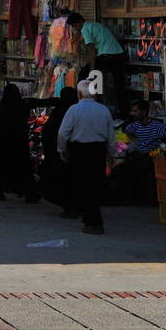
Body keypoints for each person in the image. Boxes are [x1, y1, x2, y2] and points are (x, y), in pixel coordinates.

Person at [57, 80, 116, 235]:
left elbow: (63, 133)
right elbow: (111, 135)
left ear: (80, 93)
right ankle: (91, 220)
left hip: (80, 151)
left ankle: (94, 221)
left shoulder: (74, 110)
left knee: (84, 186)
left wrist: (62, 149)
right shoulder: (103, 110)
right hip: (98, 150)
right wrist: (112, 154)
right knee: (95, 186)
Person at [111, 98, 166, 204]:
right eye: (132, 111)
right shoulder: (135, 126)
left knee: (121, 169)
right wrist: (136, 141)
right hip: (140, 156)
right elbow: (127, 130)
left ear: (143, 112)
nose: (133, 113)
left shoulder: (156, 126)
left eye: (135, 111)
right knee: (121, 167)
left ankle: (124, 198)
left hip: (150, 158)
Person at [67, 12, 127, 115]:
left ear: (80, 22)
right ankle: (124, 112)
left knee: (83, 75)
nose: (74, 28)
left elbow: (91, 49)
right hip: (119, 55)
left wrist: (92, 69)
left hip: (108, 55)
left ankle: (81, 104)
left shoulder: (85, 29)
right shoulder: (94, 25)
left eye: (74, 25)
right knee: (119, 86)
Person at [0, 83, 38, 202]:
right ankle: (26, 192)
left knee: (3, 166)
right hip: (19, 142)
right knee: (21, 166)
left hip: (4, 142)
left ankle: (1, 191)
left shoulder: (4, 106)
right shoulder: (22, 105)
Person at [39, 87, 79, 218]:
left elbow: (53, 133)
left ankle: (69, 208)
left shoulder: (60, 111)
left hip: (60, 153)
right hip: (75, 152)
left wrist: (59, 150)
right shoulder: (75, 110)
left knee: (63, 181)